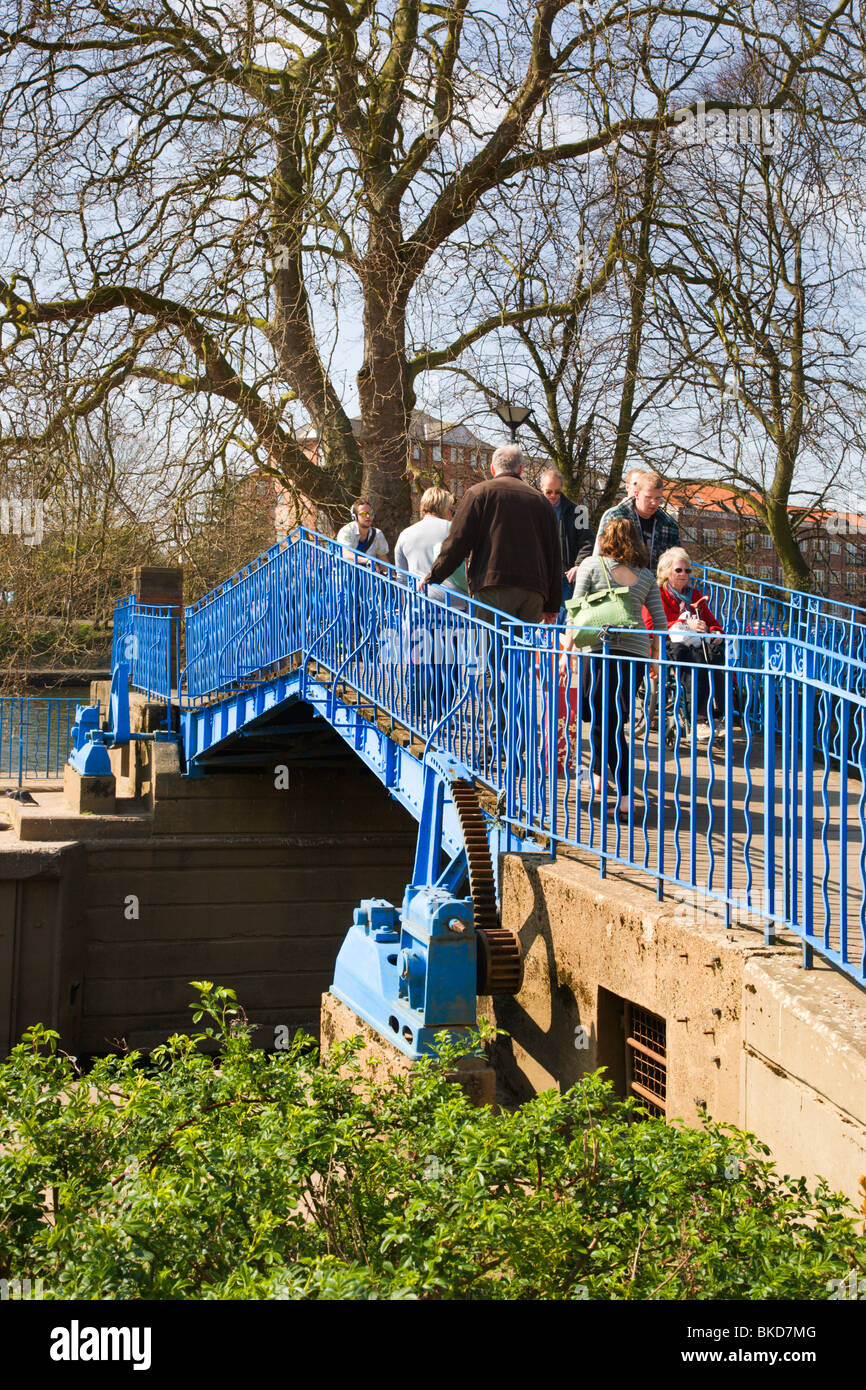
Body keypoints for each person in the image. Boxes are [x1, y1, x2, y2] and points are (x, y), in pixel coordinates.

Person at [560, 518, 667, 814]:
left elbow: (575, 609)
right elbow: (658, 622)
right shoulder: (645, 575)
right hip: (635, 655)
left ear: (607, 538)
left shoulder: (593, 565)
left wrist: (566, 649)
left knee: (601, 718)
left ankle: (623, 794)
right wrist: (656, 659)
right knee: (611, 719)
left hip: (600, 649)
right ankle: (599, 774)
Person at [422, 444, 560, 623]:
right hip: (532, 590)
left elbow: (458, 542)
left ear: (492, 469)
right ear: (520, 469)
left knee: (492, 648)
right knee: (520, 649)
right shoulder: (541, 502)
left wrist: (433, 577)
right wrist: (552, 604)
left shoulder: (479, 494)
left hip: (491, 585)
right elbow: (554, 554)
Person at [657, 546, 725, 741]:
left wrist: (714, 632)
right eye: (678, 570)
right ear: (666, 571)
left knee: (716, 655)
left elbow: (713, 622)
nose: (684, 574)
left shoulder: (694, 595)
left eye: (687, 570)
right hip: (669, 644)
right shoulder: (659, 593)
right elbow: (652, 624)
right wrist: (684, 623)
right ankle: (697, 719)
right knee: (692, 657)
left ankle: (718, 715)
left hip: (697, 643)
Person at [592, 470, 679, 573]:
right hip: (620, 581)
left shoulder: (668, 524)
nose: (654, 503)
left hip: (656, 585)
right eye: (648, 497)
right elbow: (600, 555)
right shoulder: (615, 516)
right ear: (636, 494)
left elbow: (676, 561)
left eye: (658, 498)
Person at [540, 468, 595, 622]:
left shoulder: (578, 512)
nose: (553, 496)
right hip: (541, 575)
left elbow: (588, 541)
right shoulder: (533, 510)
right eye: (549, 492)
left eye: (557, 492)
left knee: (564, 620)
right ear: (541, 488)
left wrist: (578, 565)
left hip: (565, 575)